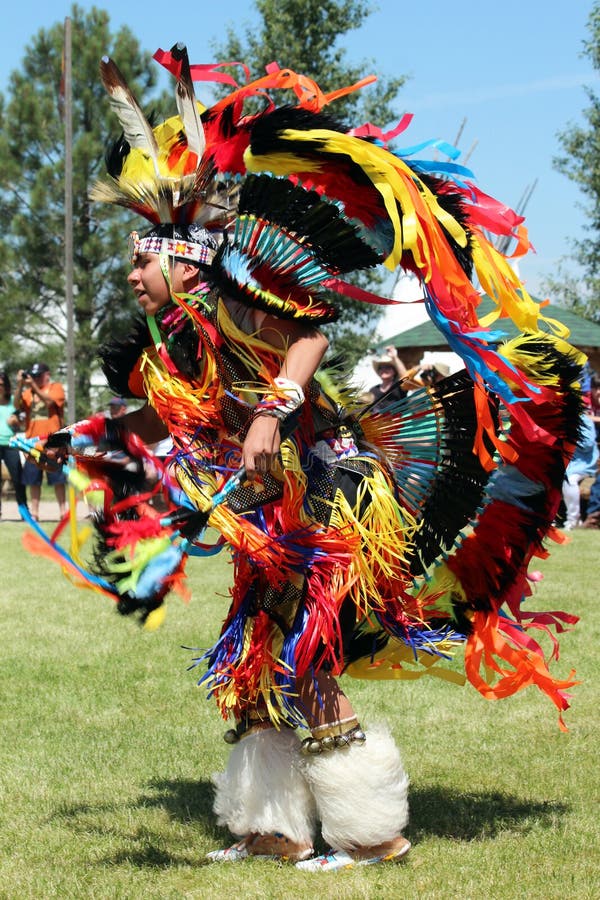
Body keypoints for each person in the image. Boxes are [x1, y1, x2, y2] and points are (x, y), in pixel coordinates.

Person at [37, 46, 583, 872]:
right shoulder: (179, 339)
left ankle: (370, 834)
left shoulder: (239, 297)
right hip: (267, 518)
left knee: (306, 652)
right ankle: (273, 828)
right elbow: (151, 417)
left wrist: (271, 411)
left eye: (144, 259)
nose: (134, 273)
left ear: (184, 260)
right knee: (251, 664)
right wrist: (72, 438)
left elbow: (311, 336)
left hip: (327, 501)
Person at [13, 362, 67, 521]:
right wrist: (20, 385)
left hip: (53, 442)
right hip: (32, 442)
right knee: (33, 480)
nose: (35, 378)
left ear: (47, 374)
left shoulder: (56, 387)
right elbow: (16, 405)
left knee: (58, 479)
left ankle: (63, 512)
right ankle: (35, 513)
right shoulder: (28, 392)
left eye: (38, 375)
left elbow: (50, 402)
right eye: (33, 376)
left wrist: (34, 387)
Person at [0, 370, 29, 515]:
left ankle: (24, 511)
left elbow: (22, 420)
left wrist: (16, 422)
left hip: (11, 444)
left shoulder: (13, 400)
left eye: (1, 384)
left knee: (18, 478)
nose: (0, 387)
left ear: (6, 386)